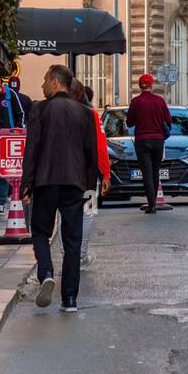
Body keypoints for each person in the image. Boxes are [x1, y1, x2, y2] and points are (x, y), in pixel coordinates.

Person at [21, 64, 98, 312]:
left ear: (55, 82)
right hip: (75, 183)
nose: (42, 85)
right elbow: (91, 152)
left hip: (45, 181)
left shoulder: (40, 109)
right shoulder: (85, 112)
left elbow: (32, 147)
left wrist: (26, 182)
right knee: (73, 241)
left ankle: (46, 273)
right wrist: (90, 188)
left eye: (45, 80)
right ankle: (70, 299)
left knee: (40, 231)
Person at [73, 81, 111, 265]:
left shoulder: (53, 111)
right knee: (88, 212)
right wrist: (106, 174)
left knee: (64, 214)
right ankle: (81, 255)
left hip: (61, 173)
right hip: (88, 173)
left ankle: (67, 256)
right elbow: (101, 146)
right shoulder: (91, 114)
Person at [125, 73, 171, 213]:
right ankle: (154, 201)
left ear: (140, 86)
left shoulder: (135, 102)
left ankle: (151, 204)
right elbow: (168, 120)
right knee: (155, 171)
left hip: (142, 140)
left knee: (147, 172)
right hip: (157, 140)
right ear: (152, 85)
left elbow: (129, 122)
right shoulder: (160, 101)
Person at [0, 74, 32, 213]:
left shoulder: (11, 95)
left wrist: (18, 132)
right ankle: (1, 199)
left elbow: (21, 114)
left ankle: (2, 200)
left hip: (8, 138)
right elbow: (25, 116)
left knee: (5, 170)